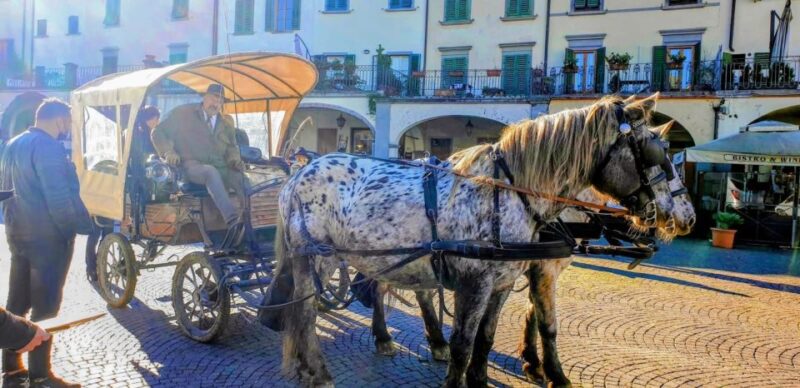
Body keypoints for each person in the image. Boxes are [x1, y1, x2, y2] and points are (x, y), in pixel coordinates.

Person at [0, 98, 92, 388]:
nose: (68, 127)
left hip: (17, 233)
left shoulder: (13, 143)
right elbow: (58, 198)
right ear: (59, 119)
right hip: (47, 238)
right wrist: (70, 231)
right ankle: (41, 376)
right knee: (46, 306)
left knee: (16, 301)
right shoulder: (49, 147)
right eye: (67, 121)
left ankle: (11, 370)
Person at [151, 84, 245, 247]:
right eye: (214, 98)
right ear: (204, 96)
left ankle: (249, 224)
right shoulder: (183, 114)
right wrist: (168, 152)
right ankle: (233, 222)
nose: (216, 103)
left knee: (243, 179)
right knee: (210, 172)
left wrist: (235, 161)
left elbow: (232, 147)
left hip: (222, 167)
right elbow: (157, 132)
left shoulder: (225, 123)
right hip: (191, 167)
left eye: (220, 100)